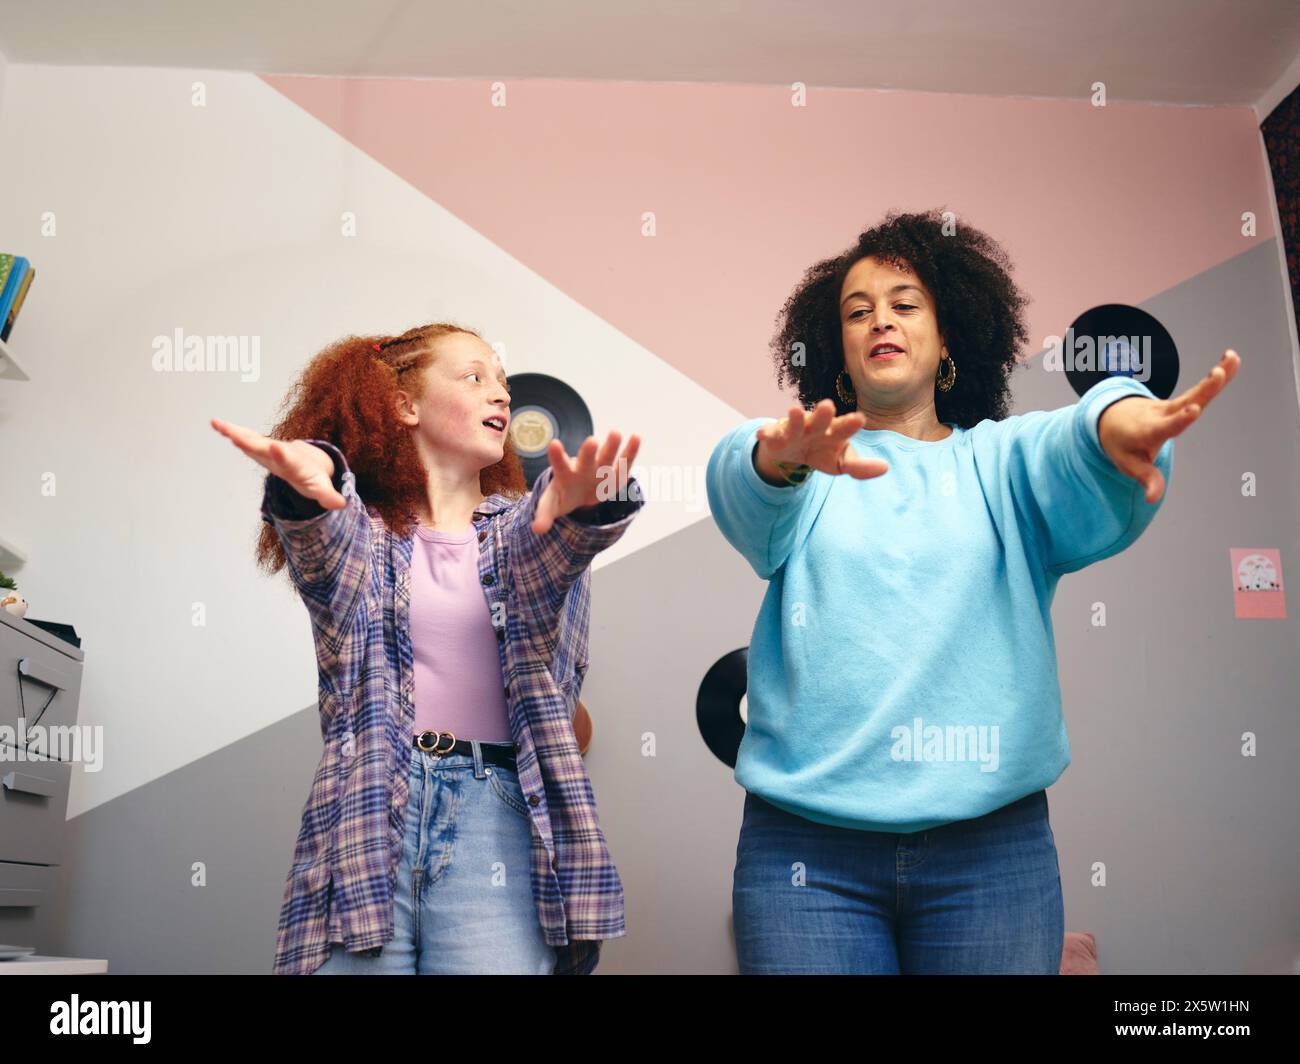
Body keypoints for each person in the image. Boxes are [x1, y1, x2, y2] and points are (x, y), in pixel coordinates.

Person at [706, 208, 1240, 974]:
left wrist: (1116, 420)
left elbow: (1071, 442)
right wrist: (776, 456)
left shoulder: (1000, 462)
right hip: (805, 856)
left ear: (949, 336)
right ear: (838, 351)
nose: (879, 320)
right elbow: (743, 475)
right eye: (857, 312)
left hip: (992, 854)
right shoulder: (812, 465)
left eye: (904, 303)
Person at [212, 322, 644, 974]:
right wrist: (312, 481)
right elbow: (329, 550)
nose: (499, 394)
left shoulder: (527, 527)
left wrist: (589, 504)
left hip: (495, 819)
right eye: (474, 377)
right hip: (370, 810)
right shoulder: (364, 536)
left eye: (502, 380)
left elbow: (545, 560)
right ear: (404, 405)